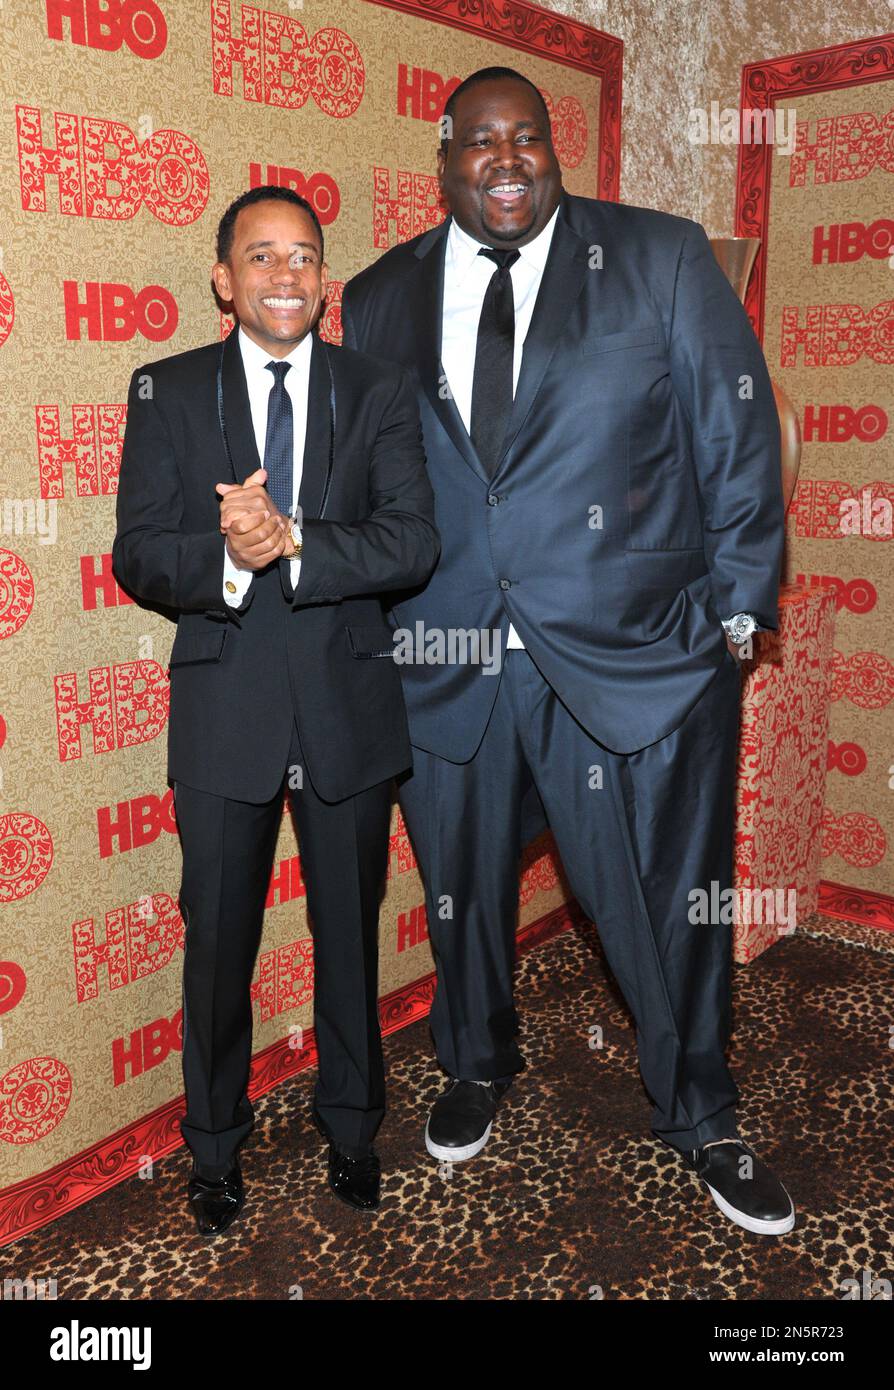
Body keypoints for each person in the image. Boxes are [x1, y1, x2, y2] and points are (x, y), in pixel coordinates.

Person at [341, 67, 794, 1235]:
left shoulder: (658, 258)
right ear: (442, 159)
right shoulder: (380, 294)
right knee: (461, 889)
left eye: (528, 137)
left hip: (637, 657)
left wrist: (731, 625)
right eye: (480, 142)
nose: (507, 160)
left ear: (556, 150)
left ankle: (702, 1109)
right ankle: (475, 1060)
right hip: (448, 655)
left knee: (664, 898)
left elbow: (737, 437)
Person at [113, 185, 439, 1233]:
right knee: (218, 946)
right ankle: (214, 1146)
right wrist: (231, 557)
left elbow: (413, 541)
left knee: (349, 933)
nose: (285, 275)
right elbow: (139, 551)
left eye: (304, 257)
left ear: (324, 279)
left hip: (350, 708)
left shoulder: (378, 388)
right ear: (224, 278)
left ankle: (352, 1128)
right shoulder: (165, 390)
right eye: (262, 257)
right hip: (225, 714)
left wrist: (294, 540)